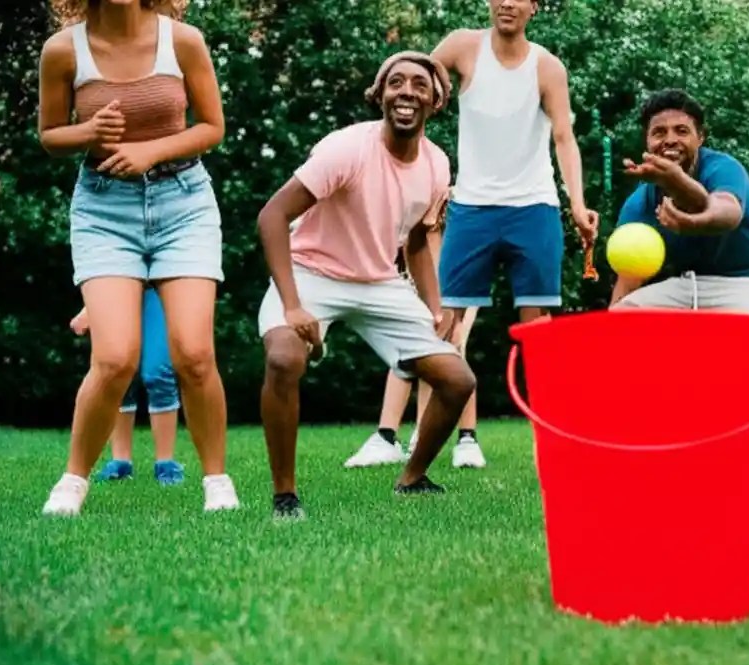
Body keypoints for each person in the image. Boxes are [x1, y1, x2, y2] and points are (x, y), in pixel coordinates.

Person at [37, 0, 239, 515]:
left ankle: (217, 482)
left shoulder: (183, 41)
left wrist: (151, 151)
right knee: (114, 358)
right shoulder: (63, 51)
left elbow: (212, 127)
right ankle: (73, 482)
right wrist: (88, 133)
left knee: (194, 353)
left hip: (184, 204)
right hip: (104, 209)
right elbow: (50, 135)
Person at [255, 51, 477, 519]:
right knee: (283, 359)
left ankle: (412, 479)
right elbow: (272, 216)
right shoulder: (347, 148)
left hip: (379, 282)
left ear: (436, 102)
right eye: (396, 83)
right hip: (311, 271)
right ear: (379, 95)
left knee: (457, 379)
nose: (407, 92)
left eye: (419, 85)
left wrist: (436, 310)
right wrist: (293, 306)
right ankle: (285, 496)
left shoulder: (437, 164)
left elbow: (416, 241)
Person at [430, 0, 600, 328]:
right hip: (472, 206)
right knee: (445, 317)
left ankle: (535, 366)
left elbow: (564, 138)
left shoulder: (548, 68)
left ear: (534, 6)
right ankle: (443, 365)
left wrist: (578, 205)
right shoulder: (462, 46)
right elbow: (415, 80)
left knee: (536, 324)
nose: (507, 3)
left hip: (533, 207)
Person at [609, 89, 749, 314]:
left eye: (681, 131)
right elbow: (629, 278)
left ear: (700, 138)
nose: (670, 140)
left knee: (740, 331)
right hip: (686, 286)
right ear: (647, 140)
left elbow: (728, 211)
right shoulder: (638, 204)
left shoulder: (723, 168)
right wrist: (611, 325)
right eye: (659, 132)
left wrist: (690, 215)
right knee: (625, 312)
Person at [345, 205, 486, 470]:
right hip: (425, 292)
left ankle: (467, 439)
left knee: (454, 347)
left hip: (463, 291)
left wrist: (460, 320)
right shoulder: (413, 218)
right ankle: (389, 438)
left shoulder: (464, 216)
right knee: (412, 350)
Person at [69, 285, 184, 485]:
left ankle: (166, 464)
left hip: (160, 286)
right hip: (118, 290)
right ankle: (120, 462)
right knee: (118, 371)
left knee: (158, 372)